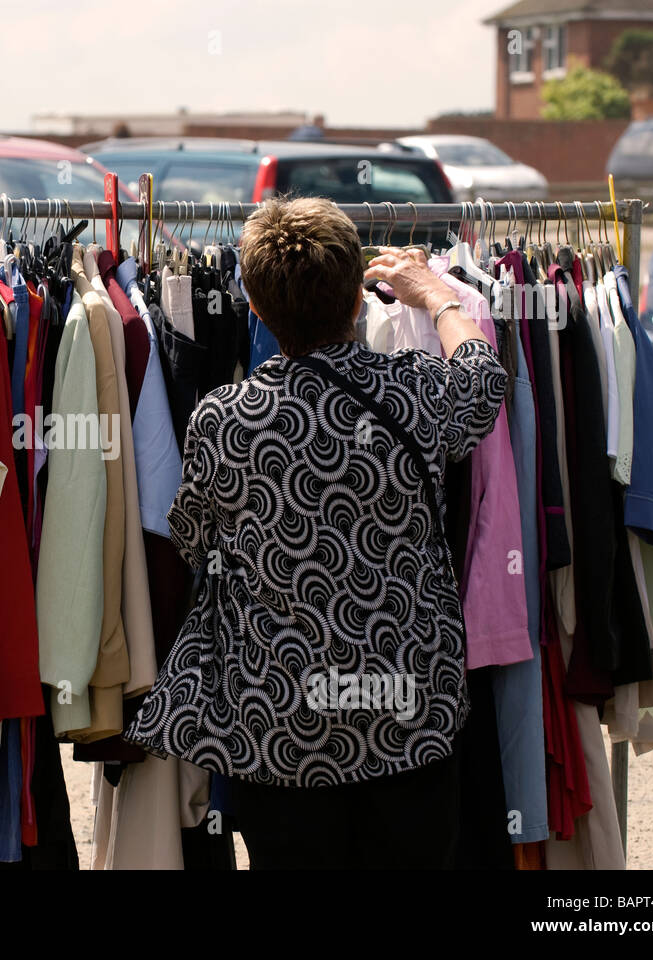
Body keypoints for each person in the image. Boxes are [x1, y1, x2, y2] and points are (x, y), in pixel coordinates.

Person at [124, 197, 508, 869]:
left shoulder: (225, 418)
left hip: (279, 730)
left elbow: (194, 538)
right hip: (408, 721)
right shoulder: (413, 391)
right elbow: (482, 381)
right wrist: (439, 299)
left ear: (257, 310)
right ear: (357, 302)